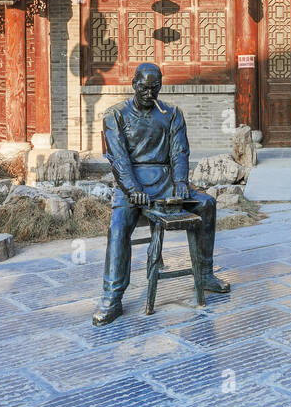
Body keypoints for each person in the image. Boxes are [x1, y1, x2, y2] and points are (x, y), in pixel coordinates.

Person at [92, 63, 230, 326]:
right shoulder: (116, 115)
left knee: (207, 204)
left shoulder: (171, 113)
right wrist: (133, 190)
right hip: (131, 185)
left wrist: (180, 182)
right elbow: (118, 159)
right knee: (118, 228)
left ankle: (205, 274)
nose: (148, 93)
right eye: (143, 87)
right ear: (133, 84)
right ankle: (112, 296)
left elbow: (179, 152)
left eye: (154, 88)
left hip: (166, 183)